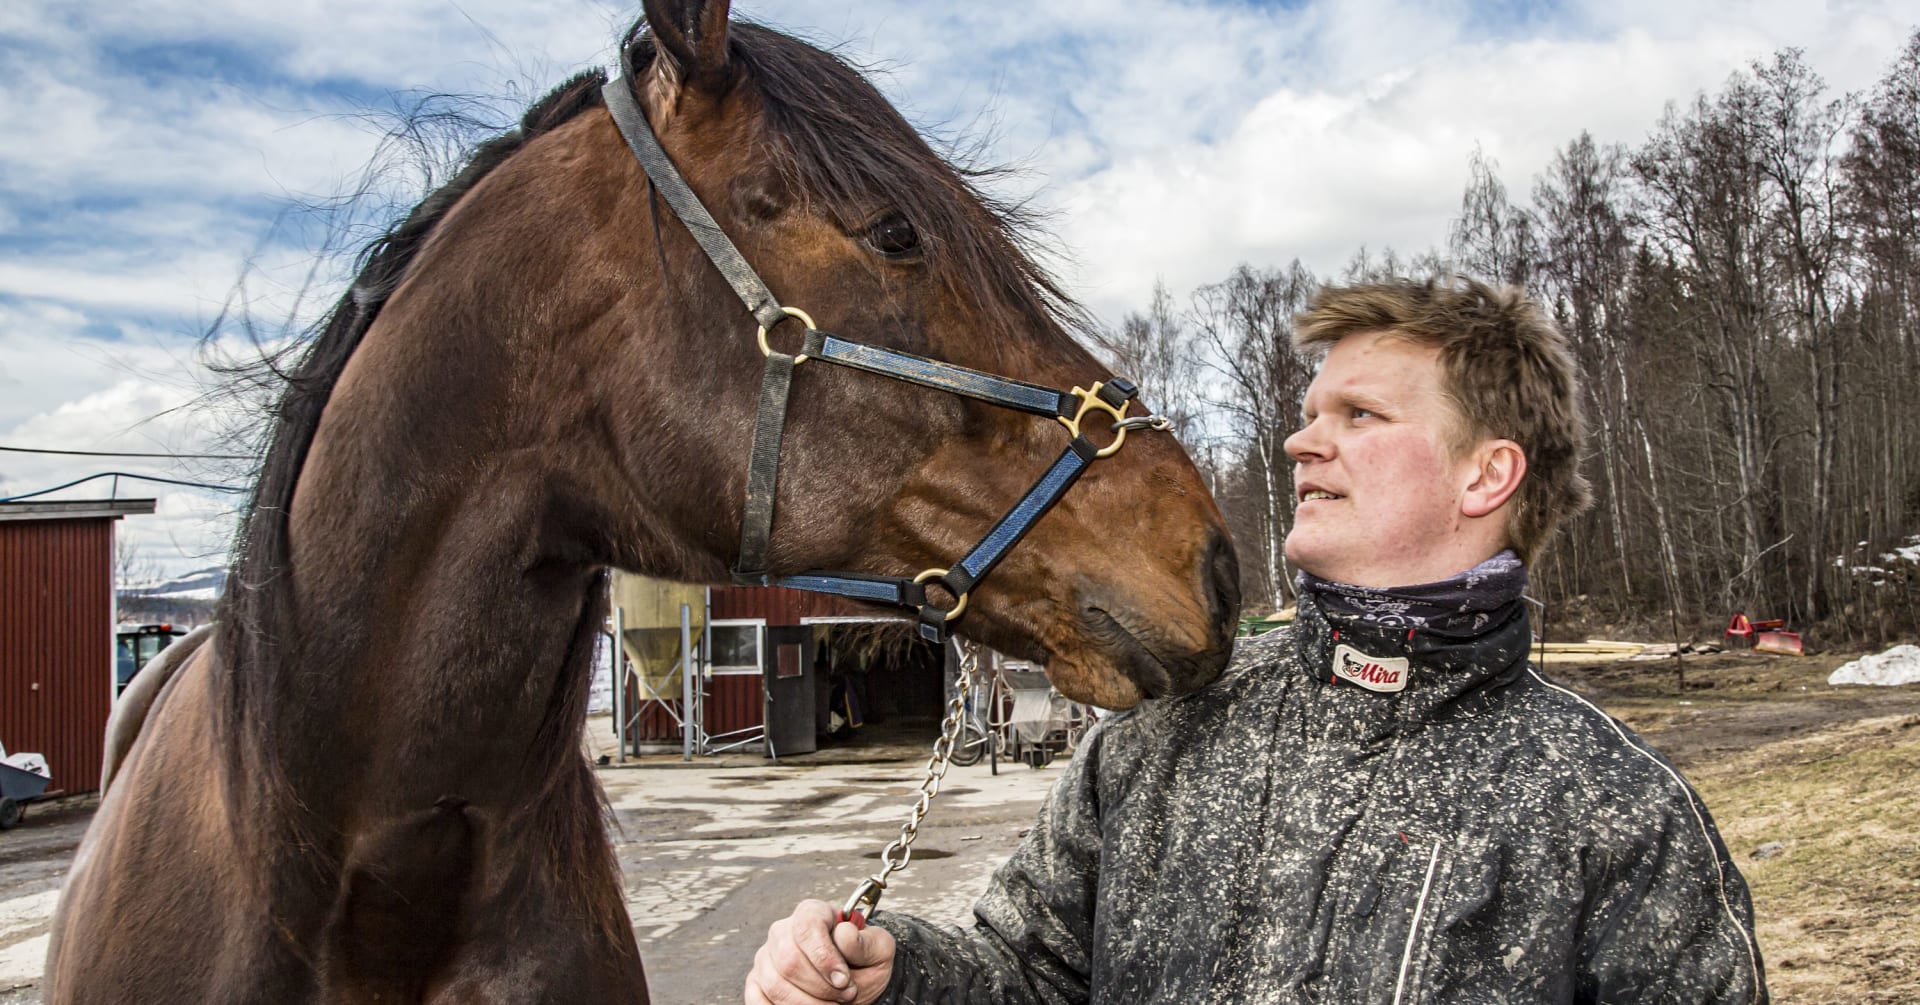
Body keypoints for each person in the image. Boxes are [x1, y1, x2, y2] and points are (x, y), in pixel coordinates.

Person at [744, 276, 1768, 1004]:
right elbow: (1028, 973)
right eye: (1309, 410)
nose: (1301, 439)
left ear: (1485, 476)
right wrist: (895, 977)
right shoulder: (1171, 722)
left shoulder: (1618, 816)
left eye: (1359, 414)